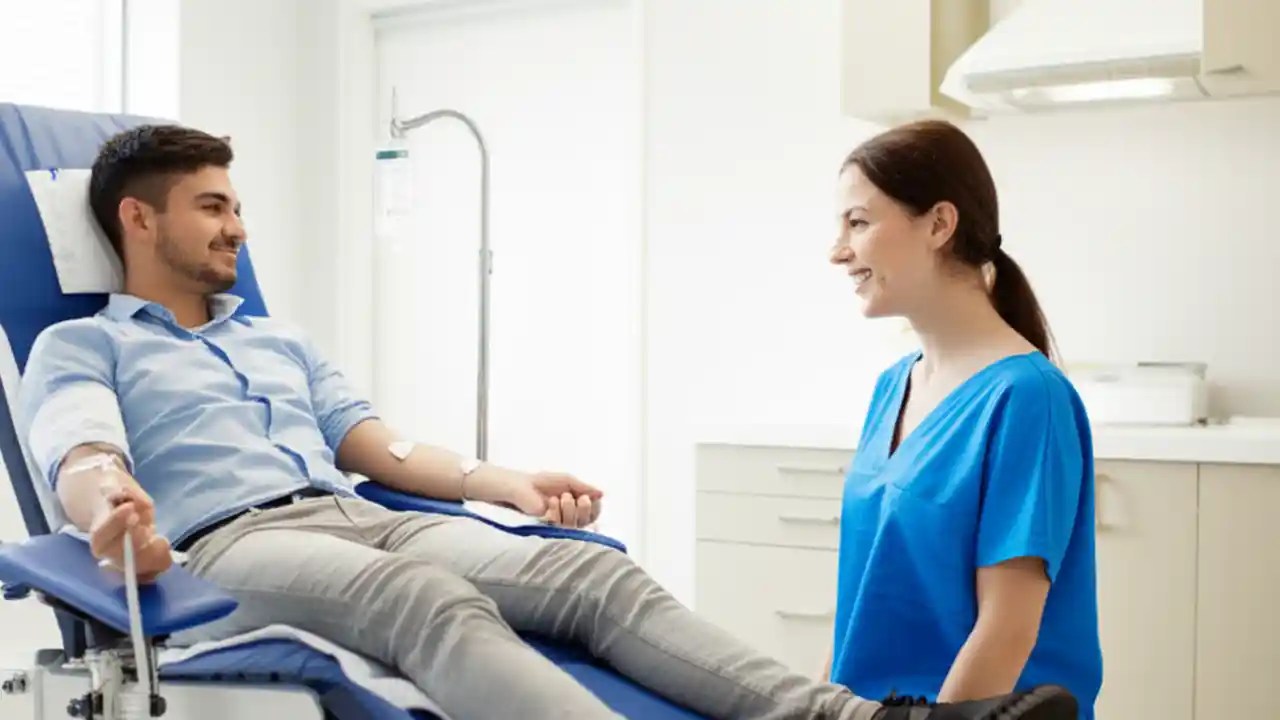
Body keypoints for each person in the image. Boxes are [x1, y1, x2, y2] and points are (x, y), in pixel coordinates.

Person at [16, 123, 1078, 720]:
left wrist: (505, 485)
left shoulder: (276, 340)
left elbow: (377, 446)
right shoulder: (83, 343)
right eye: (213, 207)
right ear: (137, 218)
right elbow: (81, 446)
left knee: (590, 576)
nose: (239, 229)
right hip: (229, 546)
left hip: (359, 516)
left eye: (239, 206)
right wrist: (110, 506)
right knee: (427, 602)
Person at [824, 119, 1103, 720]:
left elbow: (1006, 632)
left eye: (858, 222)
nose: (838, 250)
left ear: (939, 225)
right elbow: (858, 607)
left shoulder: (1027, 399)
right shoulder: (892, 386)